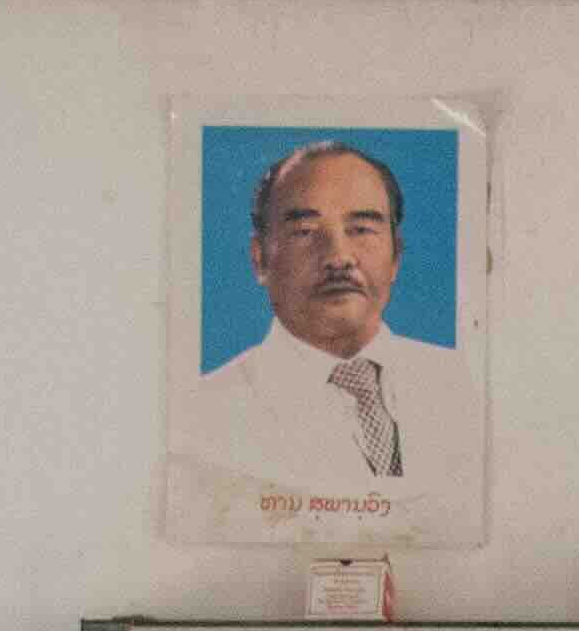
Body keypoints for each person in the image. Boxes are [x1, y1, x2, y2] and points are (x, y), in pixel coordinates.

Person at [168, 139, 480, 520]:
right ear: (260, 259)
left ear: (396, 256)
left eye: (362, 228)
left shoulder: (466, 385)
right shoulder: (204, 416)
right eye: (306, 231)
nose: (338, 257)